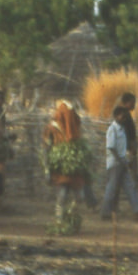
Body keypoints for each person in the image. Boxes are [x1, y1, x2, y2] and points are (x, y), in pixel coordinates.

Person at [43, 99, 90, 231]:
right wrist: (47, 169)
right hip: (60, 168)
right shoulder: (52, 128)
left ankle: (70, 216)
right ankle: (59, 221)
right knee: (62, 195)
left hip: (74, 168)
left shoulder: (75, 129)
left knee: (79, 197)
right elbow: (46, 148)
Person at [100, 105, 138, 221]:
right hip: (115, 163)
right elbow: (111, 147)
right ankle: (105, 212)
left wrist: (126, 160)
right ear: (115, 116)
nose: (124, 118)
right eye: (122, 116)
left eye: (125, 117)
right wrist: (120, 160)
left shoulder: (122, 129)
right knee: (112, 188)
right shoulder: (112, 129)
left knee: (130, 187)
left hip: (123, 162)